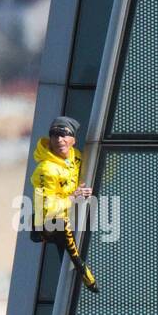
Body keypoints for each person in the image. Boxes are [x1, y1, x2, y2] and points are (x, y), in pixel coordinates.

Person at [29, 115, 99, 292]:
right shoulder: (46, 169)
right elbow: (45, 209)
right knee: (64, 233)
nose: (59, 139)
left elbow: (100, 172)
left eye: (64, 134)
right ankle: (82, 275)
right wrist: (73, 197)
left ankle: (81, 277)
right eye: (54, 135)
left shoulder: (75, 157)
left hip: (73, 218)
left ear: (73, 140)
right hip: (49, 223)